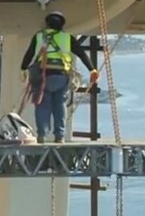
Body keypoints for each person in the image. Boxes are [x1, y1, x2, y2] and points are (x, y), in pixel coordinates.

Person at [19, 11, 98, 143]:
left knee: (42, 105)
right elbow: (81, 54)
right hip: (61, 76)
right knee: (60, 105)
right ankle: (60, 136)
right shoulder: (67, 38)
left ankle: (42, 135)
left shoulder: (39, 36)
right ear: (62, 24)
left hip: (42, 75)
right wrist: (92, 70)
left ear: (47, 23)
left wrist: (23, 68)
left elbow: (29, 54)